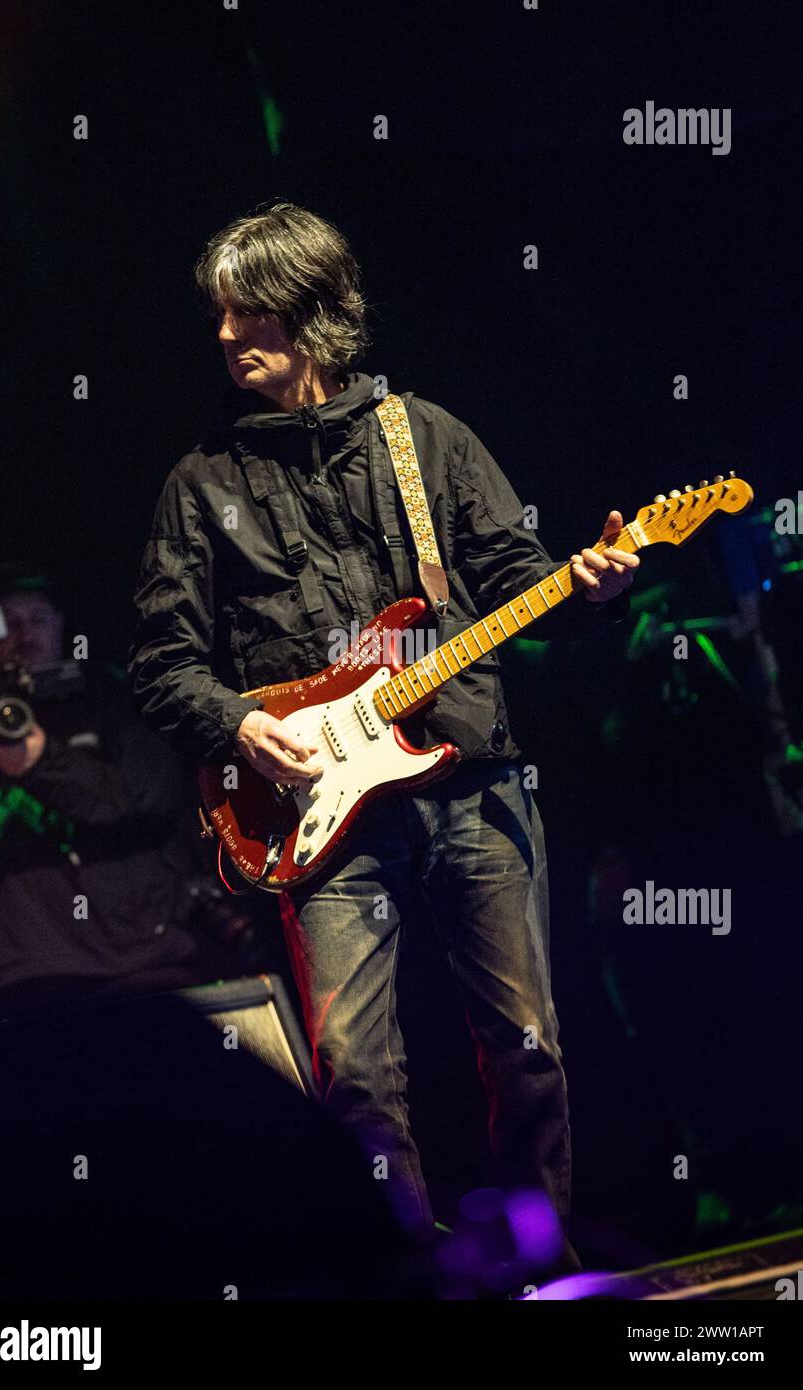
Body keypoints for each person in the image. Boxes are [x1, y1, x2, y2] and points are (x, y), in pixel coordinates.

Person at [128, 203, 638, 1248]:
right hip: (318, 811)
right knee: (353, 1071)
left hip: (470, 781)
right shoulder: (201, 485)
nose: (227, 336)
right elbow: (161, 662)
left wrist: (587, 590)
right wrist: (237, 726)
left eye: (251, 313)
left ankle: (541, 1264)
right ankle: (402, 1274)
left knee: (526, 1043)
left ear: (315, 315)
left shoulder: (426, 437)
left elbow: (517, 587)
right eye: (219, 316)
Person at [0, 564, 201, 1020]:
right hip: (17, 983)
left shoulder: (113, 696)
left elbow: (147, 799)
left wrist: (40, 763)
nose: (25, 637)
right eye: (8, 623)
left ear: (62, 625)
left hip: (139, 965)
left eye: (39, 619)